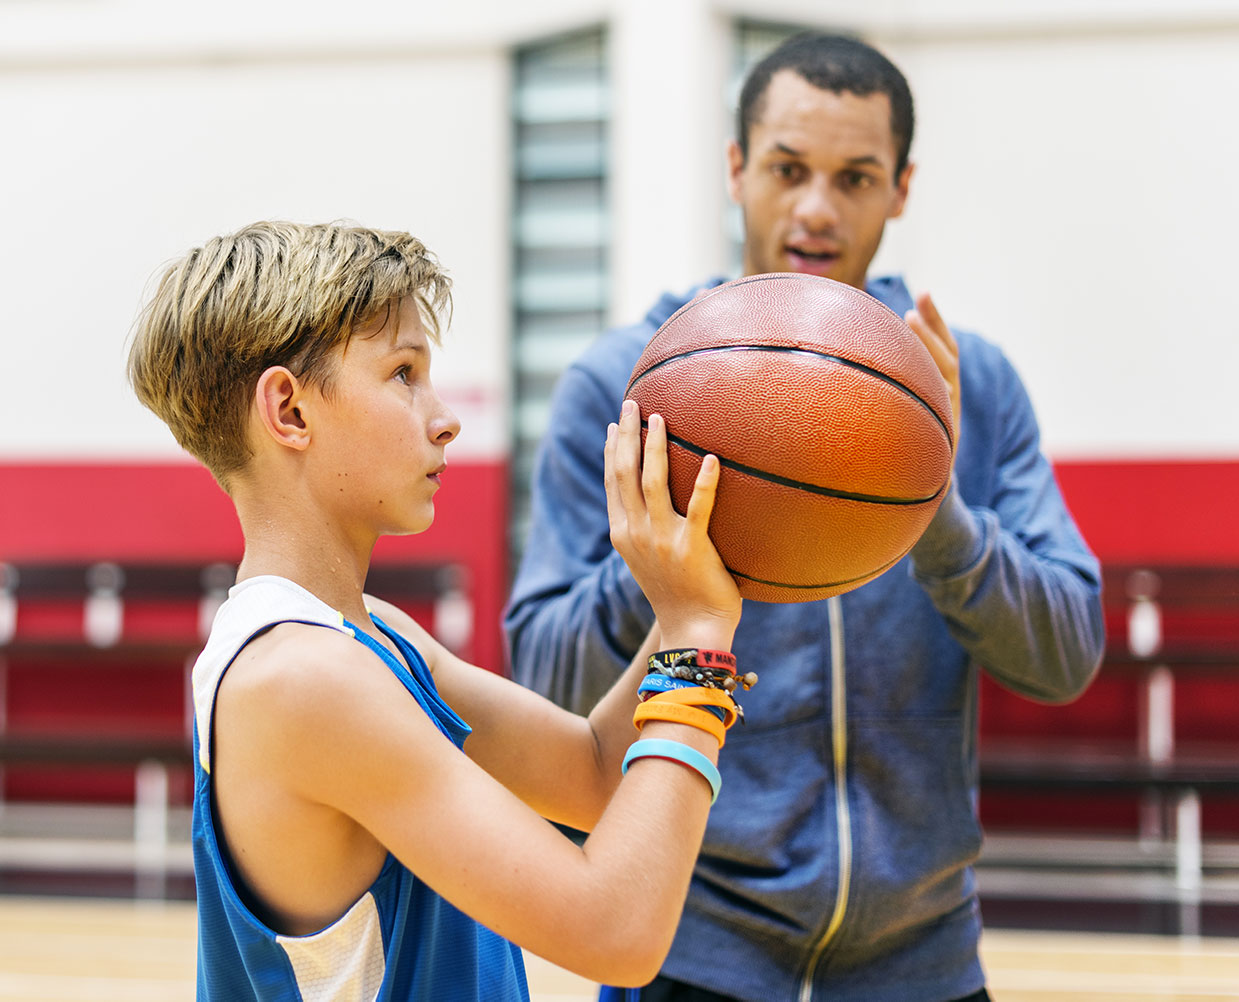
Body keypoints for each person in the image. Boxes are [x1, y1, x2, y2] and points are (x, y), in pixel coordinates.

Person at [505, 32, 1106, 1002]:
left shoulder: (969, 387)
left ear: (900, 187)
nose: (816, 209)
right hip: (686, 953)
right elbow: (544, 681)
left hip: (922, 960)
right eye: (786, 169)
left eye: (855, 177)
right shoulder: (623, 388)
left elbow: (1064, 654)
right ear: (735, 170)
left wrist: (938, 514)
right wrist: (662, 558)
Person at [126, 220, 757, 1000]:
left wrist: (696, 592)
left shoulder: (370, 633)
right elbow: (617, 934)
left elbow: (595, 774)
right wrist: (696, 644)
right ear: (288, 410)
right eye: (402, 373)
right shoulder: (302, 680)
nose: (444, 417)